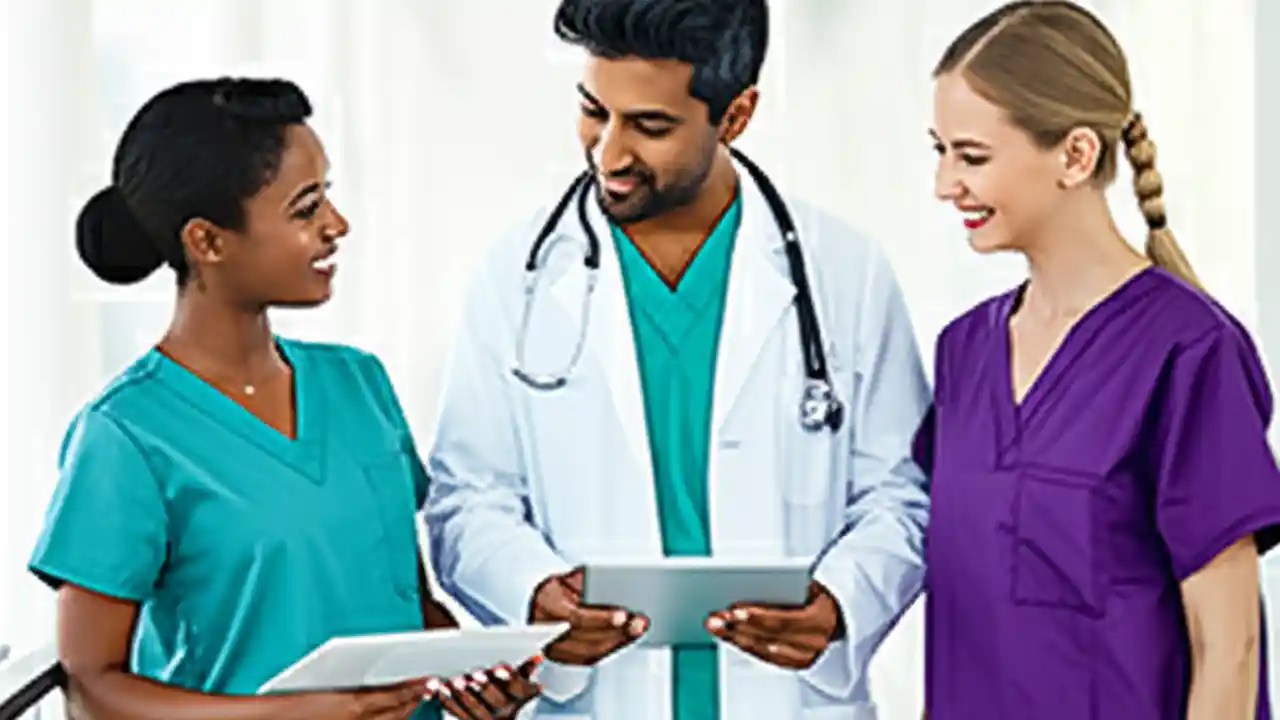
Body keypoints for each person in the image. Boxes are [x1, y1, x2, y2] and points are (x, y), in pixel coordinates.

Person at [423, 1, 931, 718]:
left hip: (784, 697)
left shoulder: (842, 270)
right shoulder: (518, 277)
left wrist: (842, 600)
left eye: (650, 126)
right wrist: (534, 589)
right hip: (599, 697)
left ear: (737, 114)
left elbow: (901, 491)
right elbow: (468, 495)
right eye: (594, 111)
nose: (610, 154)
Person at [28, 77, 541, 720]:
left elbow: (410, 603)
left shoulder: (360, 384)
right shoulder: (125, 435)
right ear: (208, 242)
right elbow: (92, 688)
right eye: (306, 209)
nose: (337, 225)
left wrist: (469, 681)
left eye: (328, 195)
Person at [921, 2, 1280, 718]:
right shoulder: (964, 351)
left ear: (1076, 155)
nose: (944, 184)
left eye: (972, 156)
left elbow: (1230, 646)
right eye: (940, 150)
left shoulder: (1187, 351)